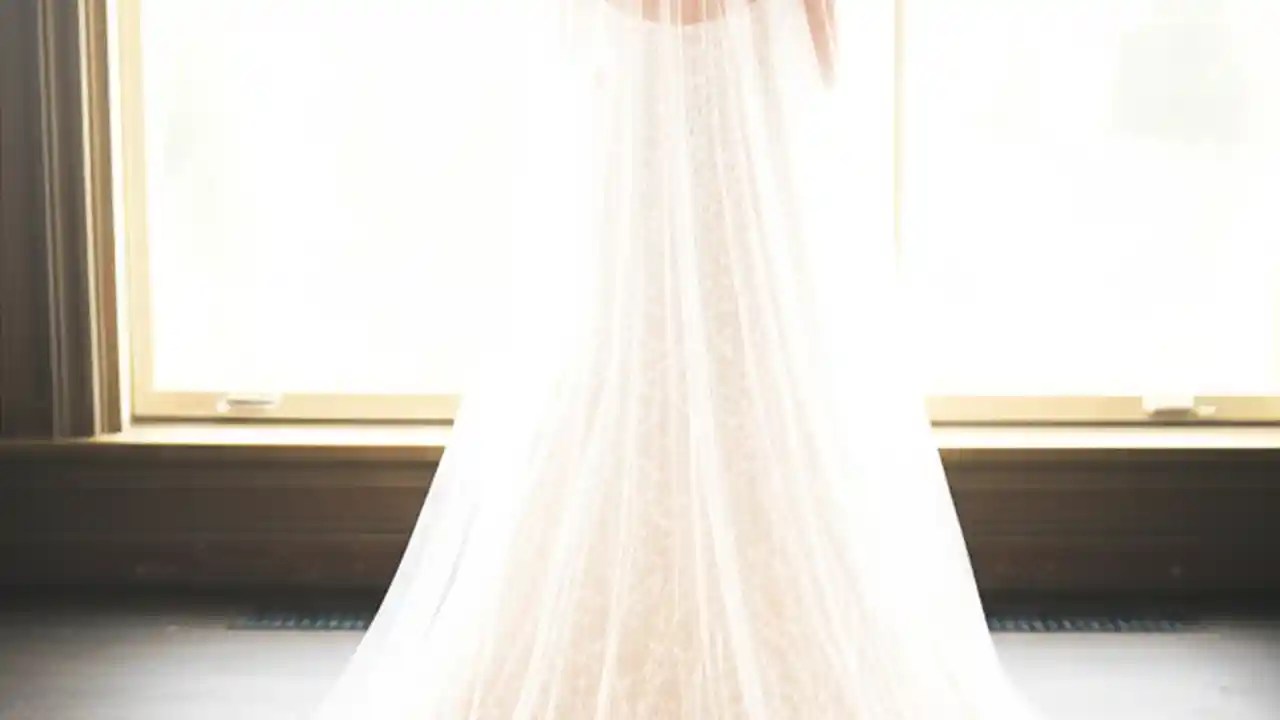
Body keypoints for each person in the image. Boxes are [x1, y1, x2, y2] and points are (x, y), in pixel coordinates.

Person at [314, 1, 1040, 716]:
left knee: (614, 391)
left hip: (634, 193)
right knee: (756, 398)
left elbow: (573, 62)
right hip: (743, 199)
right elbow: (822, 62)